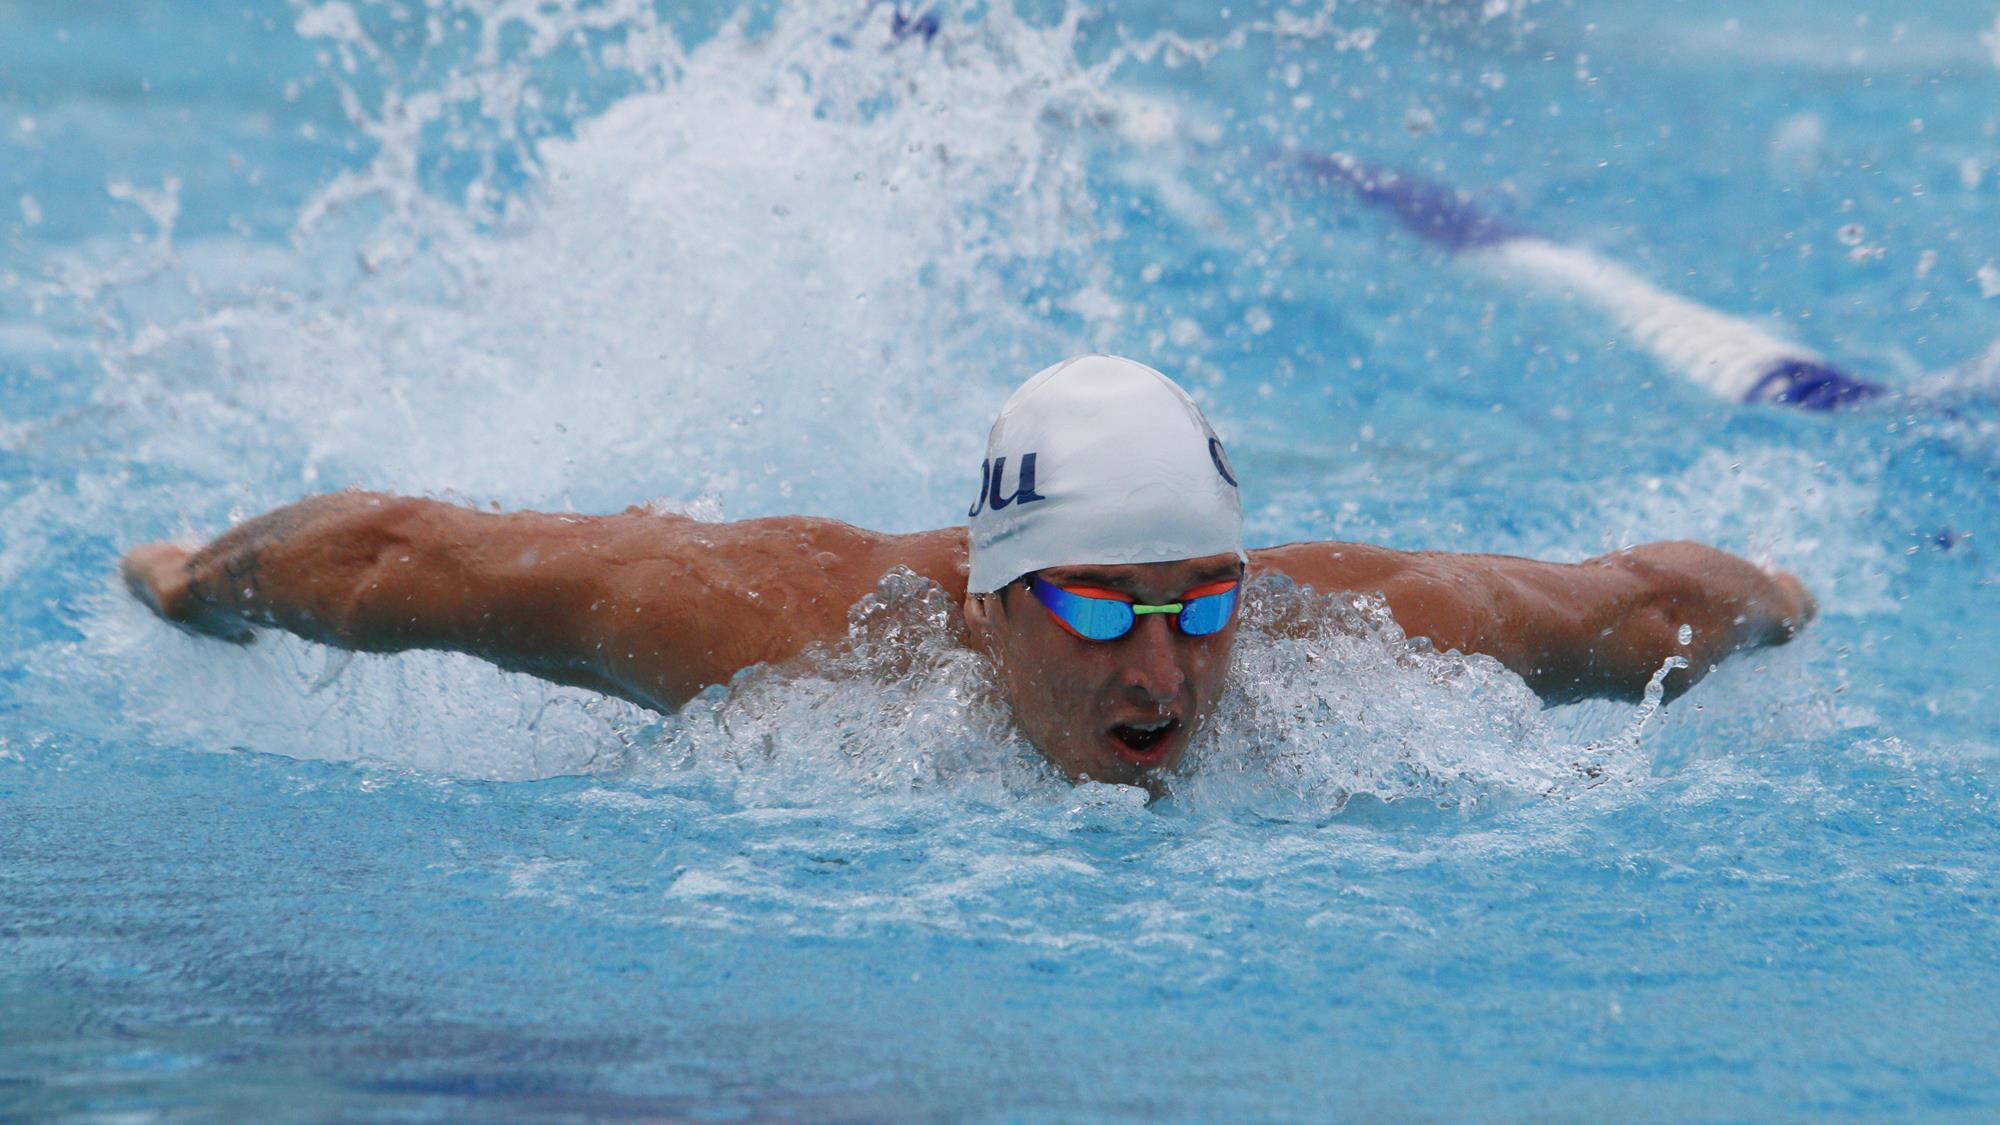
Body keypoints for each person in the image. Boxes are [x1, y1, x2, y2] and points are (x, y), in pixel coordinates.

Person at [120, 354, 1814, 785]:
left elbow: (1640, 604)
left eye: (1194, 604)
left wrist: (1792, 604)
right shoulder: (790, 632)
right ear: (993, 600)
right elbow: (403, 554)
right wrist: (203, 580)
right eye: (1091, 609)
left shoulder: (1338, 629)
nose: (1162, 675)